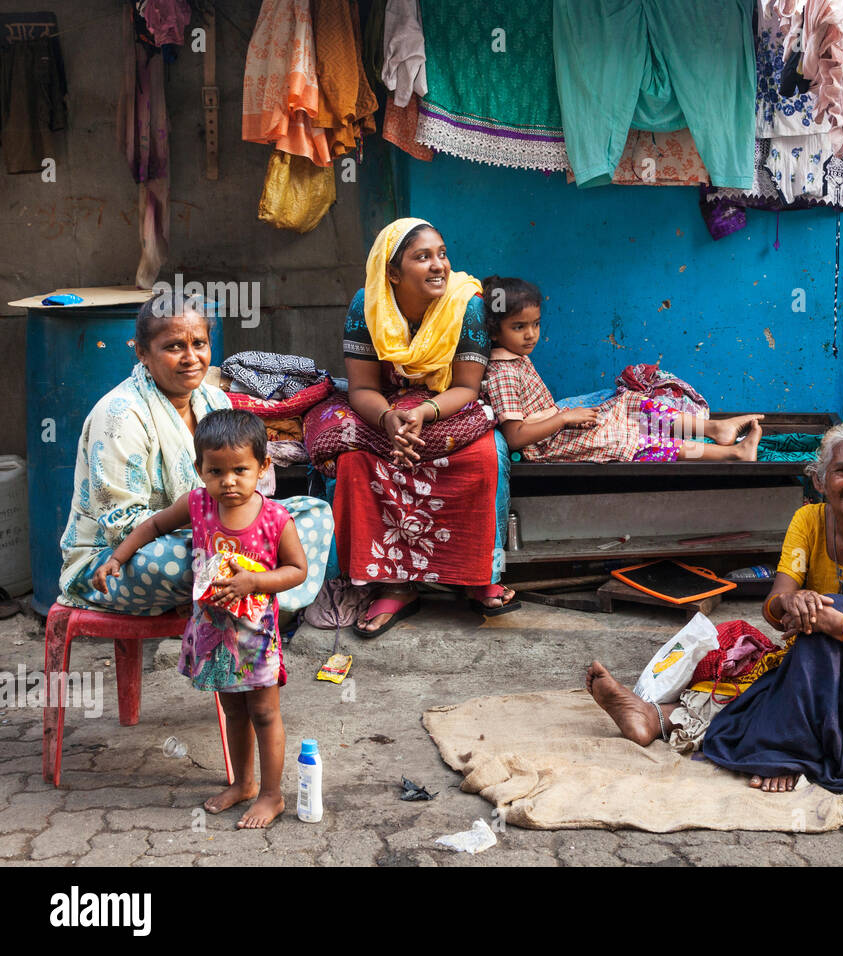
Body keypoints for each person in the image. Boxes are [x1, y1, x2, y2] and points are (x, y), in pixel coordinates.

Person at [586, 422, 843, 797]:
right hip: (826, 658)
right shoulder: (808, 521)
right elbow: (774, 606)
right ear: (819, 479)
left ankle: (784, 747)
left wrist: (832, 622)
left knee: (814, 656)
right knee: (741, 652)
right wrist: (793, 603)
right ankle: (657, 719)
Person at [59, 292, 332, 616]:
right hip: (120, 559)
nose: (191, 357)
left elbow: (250, 492)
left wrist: (241, 528)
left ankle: (240, 592)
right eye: (174, 347)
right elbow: (123, 528)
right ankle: (241, 594)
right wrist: (219, 532)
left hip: (218, 535)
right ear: (143, 353)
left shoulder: (216, 400)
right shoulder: (120, 415)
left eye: (199, 344)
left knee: (310, 514)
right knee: (199, 556)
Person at [92, 410, 303, 828]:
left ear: (263, 466)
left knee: (264, 713)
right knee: (233, 712)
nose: (228, 481)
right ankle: (242, 784)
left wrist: (256, 581)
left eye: (241, 469)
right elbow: (153, 525)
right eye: (216, 471)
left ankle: (272, 794)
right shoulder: (197, 504)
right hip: (212, 635)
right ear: (199, 470)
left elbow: (297, 570)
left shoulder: (276, 519)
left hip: (257, 639)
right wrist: (118, 557)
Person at [320, 218, 515, 634]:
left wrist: (424, 412)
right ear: (392, 272)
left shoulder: (467, 305)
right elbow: (361, 388)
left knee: (485, 456)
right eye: (422, 257)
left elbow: (465, 386)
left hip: (447, 406)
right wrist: (388, 419)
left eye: (442, 254)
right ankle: (393, 584)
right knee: (355, 461)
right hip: (384, 408)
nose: (438, 265)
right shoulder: (366, 305)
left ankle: (477, 575)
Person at [479, 275, 764, 462]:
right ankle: (735, 453)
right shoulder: (502, 373)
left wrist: (569, 418)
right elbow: (515, 437)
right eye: (519, 327)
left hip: (558, 429)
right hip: (548, 445)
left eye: (536, 324)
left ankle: (715, 428)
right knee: (632, 439)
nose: (531, 334)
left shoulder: (515, 356)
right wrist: (565, 420)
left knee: (630, 405)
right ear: (494, 331)